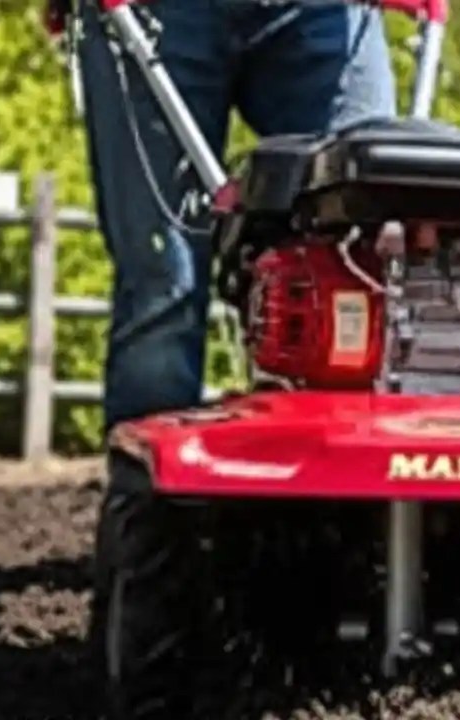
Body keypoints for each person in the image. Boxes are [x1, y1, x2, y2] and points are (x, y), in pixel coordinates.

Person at [73, 0, 397, 440]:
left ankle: (354, 459)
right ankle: (152, 478)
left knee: (359, 258)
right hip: (154, 12)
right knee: (164, 282)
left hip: (331, 15)